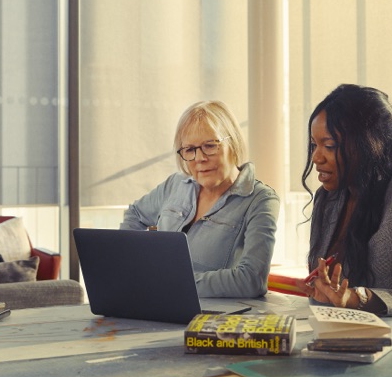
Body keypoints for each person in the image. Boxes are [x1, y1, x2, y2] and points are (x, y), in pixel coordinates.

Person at [296, 84, 392, 323]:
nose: (316, 158)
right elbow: (330, 296)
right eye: (313, 145)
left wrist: (359, 298)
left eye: (329, 146)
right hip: (342, 334)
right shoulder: (328, 198)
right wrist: (323, 293)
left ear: (367, 144)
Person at [119, 100, 280, 298]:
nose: (199, 158)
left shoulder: (261, 200)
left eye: (210, 146)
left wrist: (174, 283)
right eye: (189, 149)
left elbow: (251, 280)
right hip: (156, 303)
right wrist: (134, 262)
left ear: (233, 143)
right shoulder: (175, 184)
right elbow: (135, 214)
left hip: (213, 313)